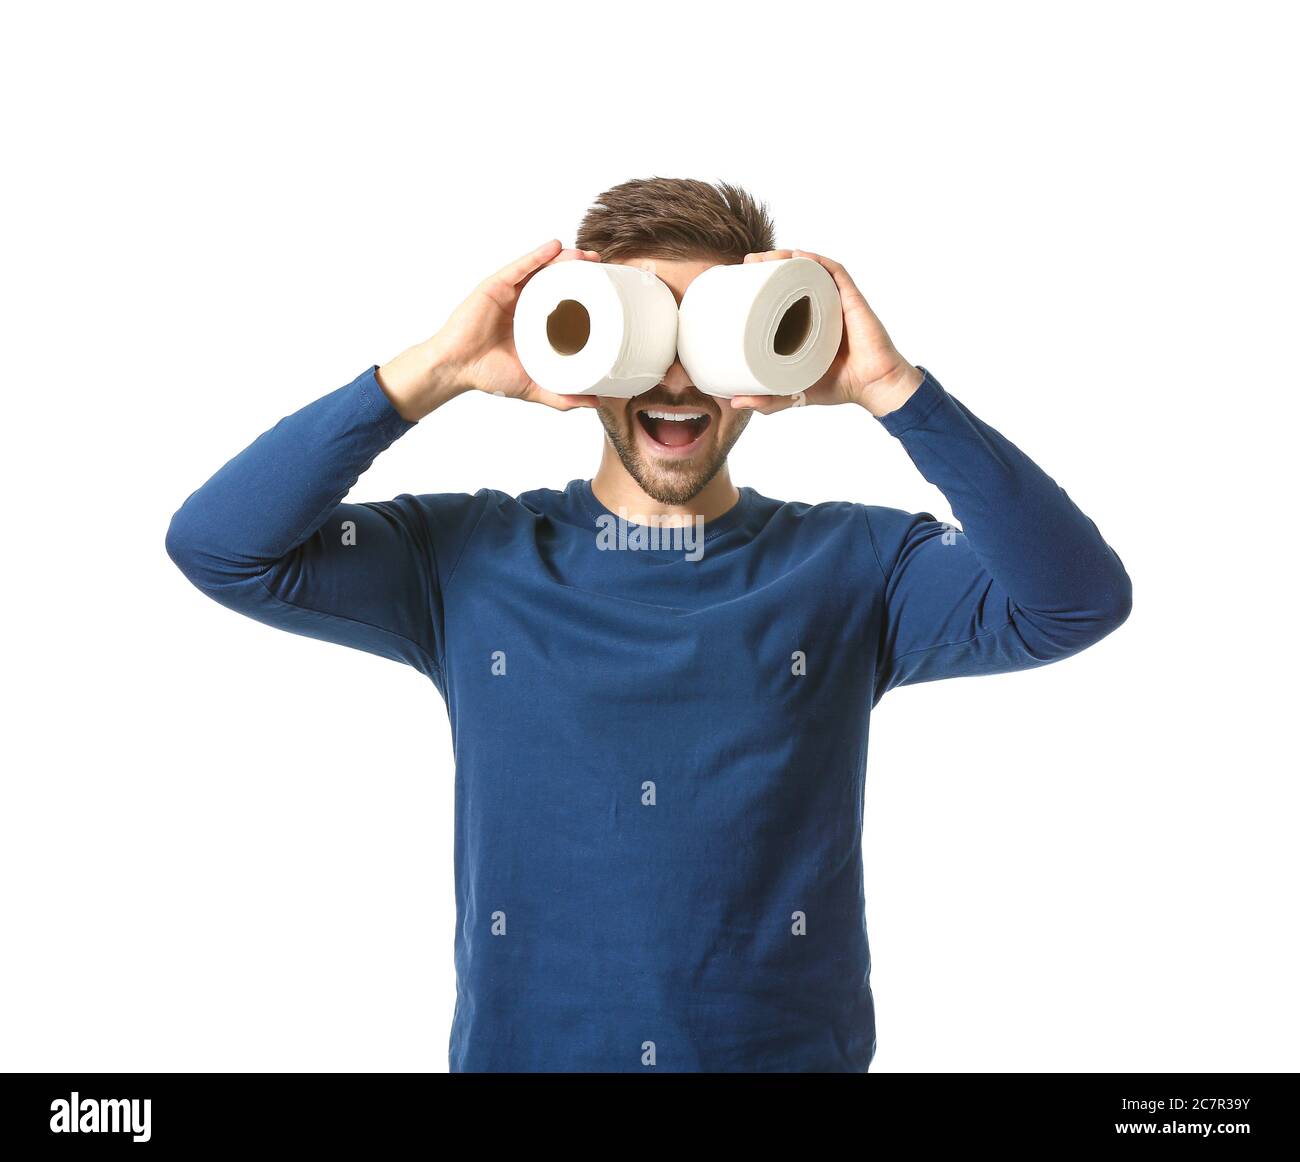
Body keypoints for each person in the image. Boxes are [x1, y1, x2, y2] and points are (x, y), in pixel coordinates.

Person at [166, 177, 1132, 1072]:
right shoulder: (464, 556)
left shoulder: (857, 567)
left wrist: (894, 390)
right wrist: (438, 368)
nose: (676, 383)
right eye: (642, 337)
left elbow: (1076, 600)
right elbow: (220, 546)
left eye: (710, 339)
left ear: (770, 348)